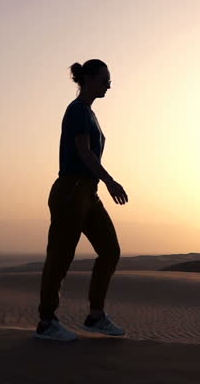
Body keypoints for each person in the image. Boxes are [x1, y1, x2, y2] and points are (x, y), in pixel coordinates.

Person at [35, 59, 129, 341]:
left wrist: (102, 184)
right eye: (104, 80)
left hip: (89, 192)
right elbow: (84, 152)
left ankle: (95, 316)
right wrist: (111, 180)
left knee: (110, 251)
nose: (108, 86)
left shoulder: (89, 113)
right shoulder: (77, 110)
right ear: (87, 79)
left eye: (109, 81)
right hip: (71, 190)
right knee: (60, 258)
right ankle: (46, 322)